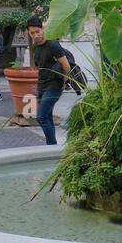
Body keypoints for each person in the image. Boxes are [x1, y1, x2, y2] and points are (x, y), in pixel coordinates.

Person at [27, 15, 71, 145]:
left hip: (54, 86)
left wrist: (65, 82)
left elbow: (66, 65)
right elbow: (41, 67)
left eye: (37, 31)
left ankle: (51, 145)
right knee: (47, 117)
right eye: (32, 33)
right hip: (42, 86)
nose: (35, 35)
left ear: (43, 29)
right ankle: (52, 146)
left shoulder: (53, 44)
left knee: (41, 117)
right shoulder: (36, 47)